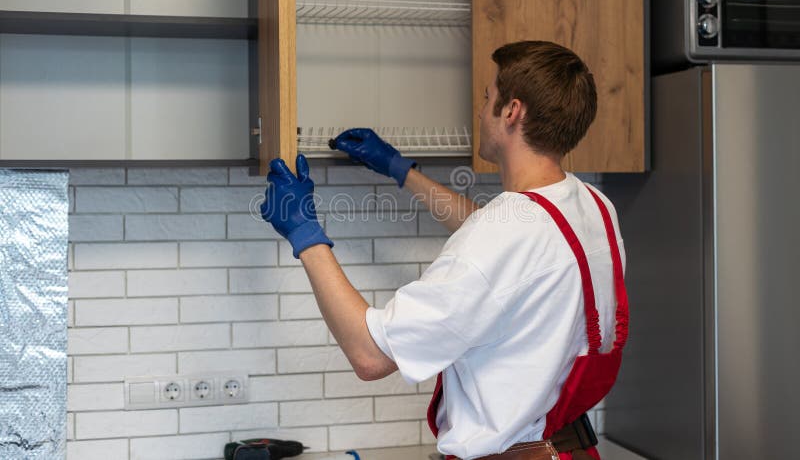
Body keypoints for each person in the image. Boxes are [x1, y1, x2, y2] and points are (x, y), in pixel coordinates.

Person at [260, 40, 628, 460]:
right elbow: (505, 243)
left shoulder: (504, 235)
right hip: (571, 449)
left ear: (512, 111)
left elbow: (370, 355)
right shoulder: (592, 206)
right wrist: (401, 170)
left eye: (487, 97)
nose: (481, 110)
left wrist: (304, 232)